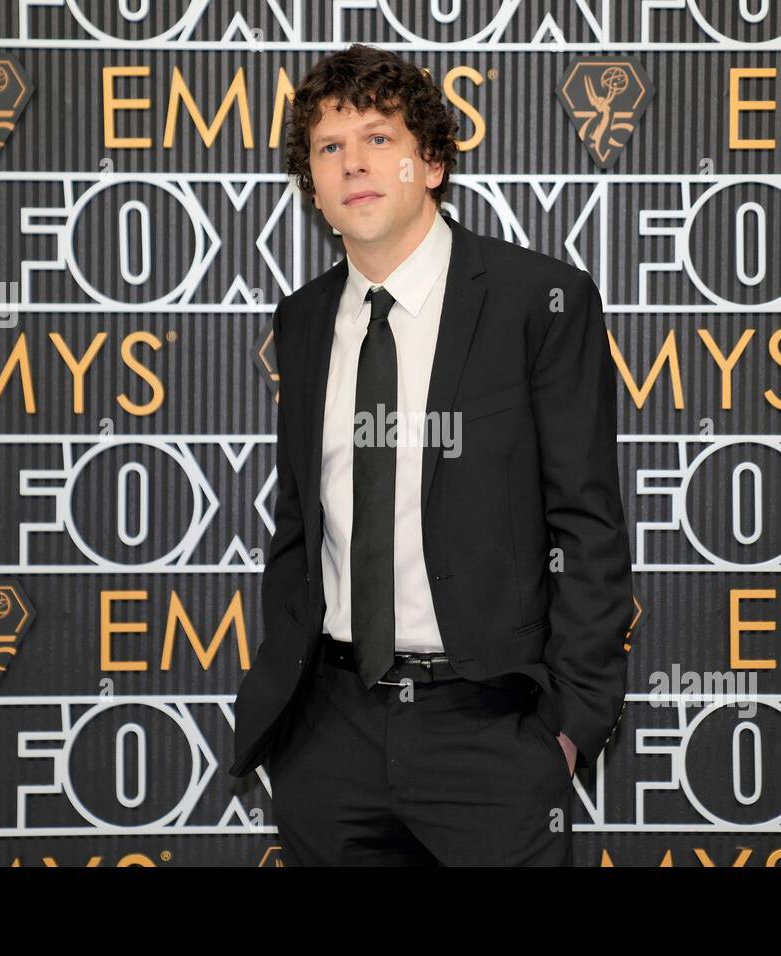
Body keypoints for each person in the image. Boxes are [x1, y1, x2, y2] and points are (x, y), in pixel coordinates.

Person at [229, 43, 633, 866]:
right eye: (329, 148)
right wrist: (294, 730)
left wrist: (567, 729)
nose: (354, 164)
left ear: (433, 162)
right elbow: (299, 523)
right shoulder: (303, 321)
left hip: (491, 730)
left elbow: (586, 523)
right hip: (330, 734)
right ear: (311, 182)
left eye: (379, 138)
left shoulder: (538, 302)